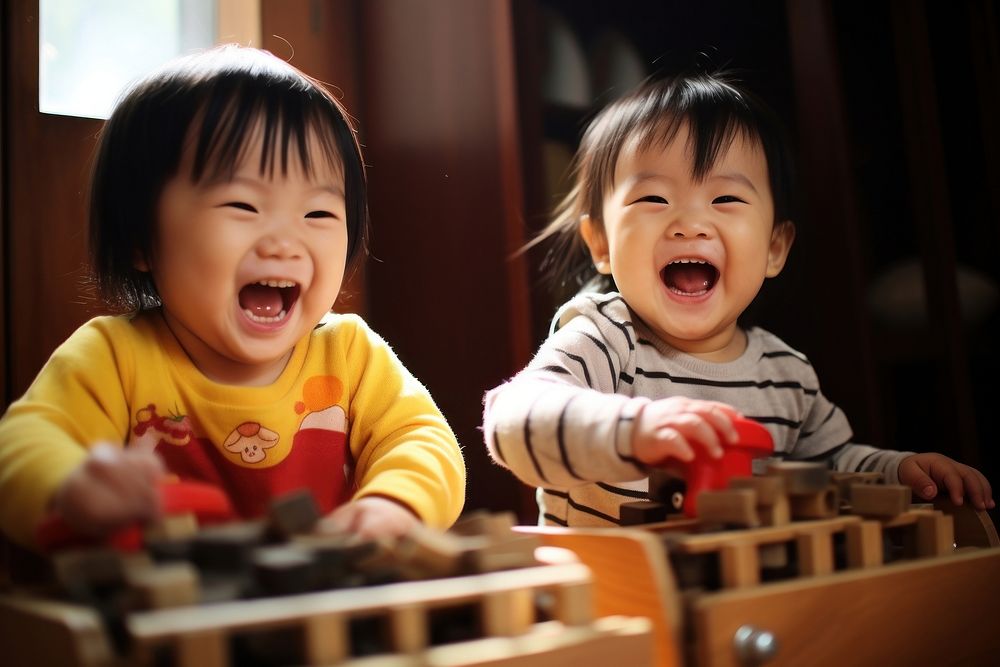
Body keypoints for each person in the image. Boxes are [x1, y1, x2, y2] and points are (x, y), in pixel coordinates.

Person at [0, 45, 465, 549]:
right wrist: (69, 487)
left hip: (322, 609)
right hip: (164, 617)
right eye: (242, 205)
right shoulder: (114, 358)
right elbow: (22, 444)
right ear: (141, 239)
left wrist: (393, 505)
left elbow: (423, 440)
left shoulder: (349, 355)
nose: (285, 243)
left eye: (318, 215)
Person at [482, 70, 993, 527]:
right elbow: (513, 421)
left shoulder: (784, 373)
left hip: (745, 602)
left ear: (774, 247)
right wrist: (630, 432)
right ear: (601, 245)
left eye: (725, 199)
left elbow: (832, 466)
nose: (689, 224)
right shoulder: (604, 338)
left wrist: (901, 471)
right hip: (612, 604)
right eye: (654, 199)